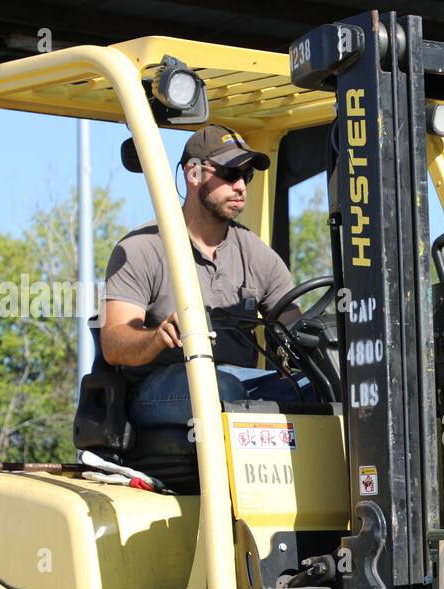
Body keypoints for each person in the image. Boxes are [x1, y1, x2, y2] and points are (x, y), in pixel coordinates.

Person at [101, 124, 305, 427]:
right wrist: (157, 338)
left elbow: (296, 327)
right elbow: (114, 344)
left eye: (247, 176)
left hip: (239, 384)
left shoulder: (254, 252)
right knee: (220, 388)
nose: (241, 187)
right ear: (193, 173)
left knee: (319, 388)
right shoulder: (141, 248)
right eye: (230, 173)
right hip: (160, 390)